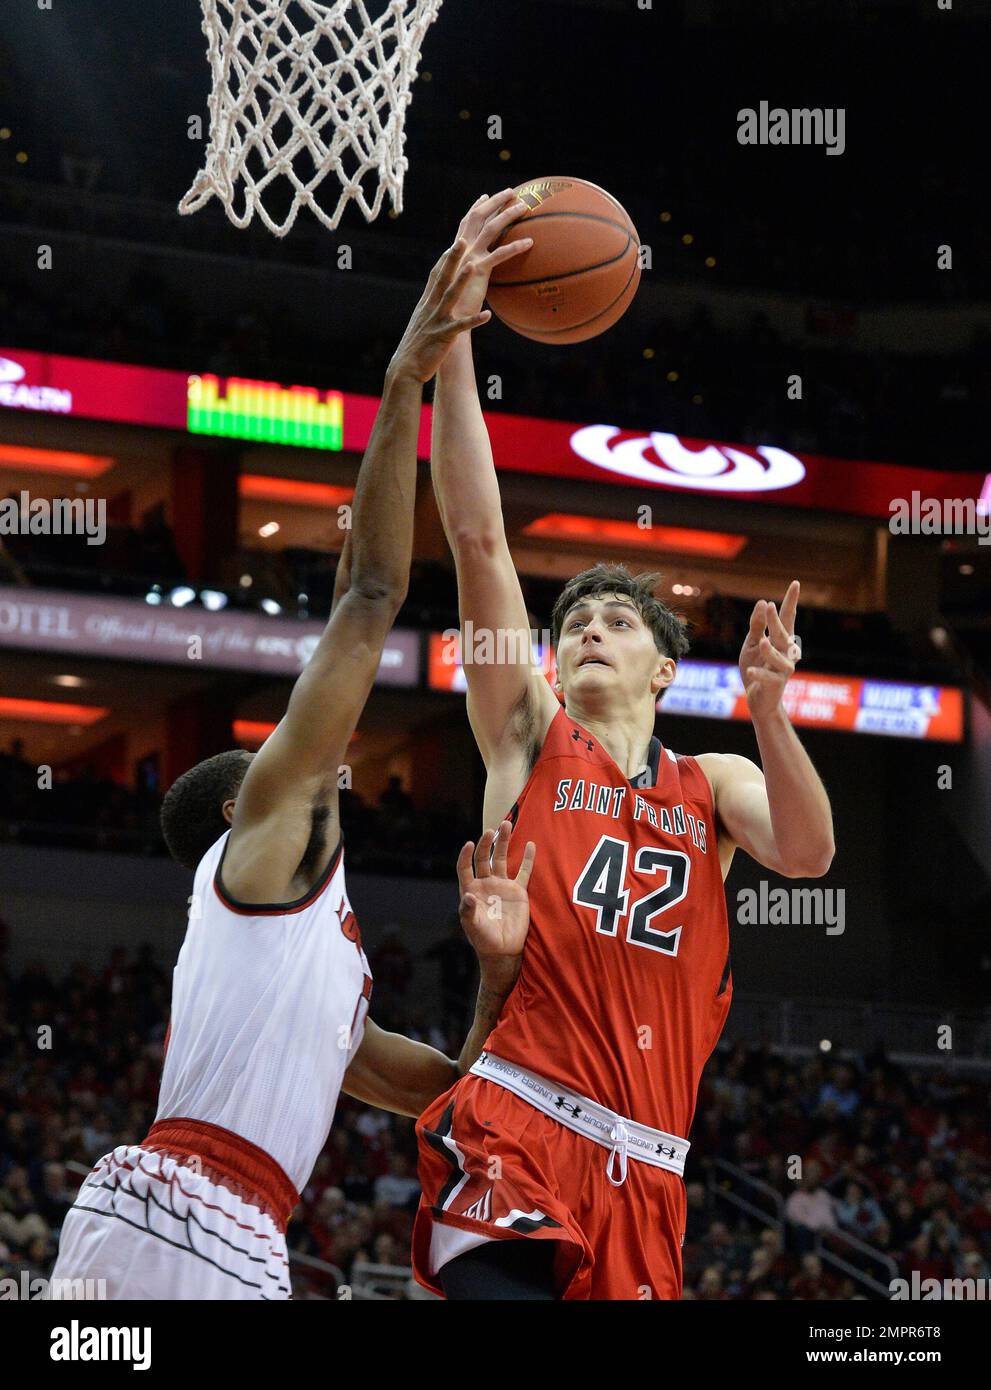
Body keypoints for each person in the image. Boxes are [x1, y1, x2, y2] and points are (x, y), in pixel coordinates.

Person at [51, 218, 536, 1301]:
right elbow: (368, 596)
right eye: (264, 759)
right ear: (242, 808)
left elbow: (452, 1089)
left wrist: (497, 973)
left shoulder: (332, 982)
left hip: (224, 1231)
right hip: (187, 1214)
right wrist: (401, 380)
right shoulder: (267, 840)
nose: (293, 757)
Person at [411, 190, 836, 1301]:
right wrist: (455, 341)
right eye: (570, 626)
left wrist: (773, 711)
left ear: (662, 668)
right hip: (520, 1120)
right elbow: (474, 535)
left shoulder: (717, 780)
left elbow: (805, 854)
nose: (586, 630)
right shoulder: (529, 733)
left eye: (615, 622)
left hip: (649, 1172)